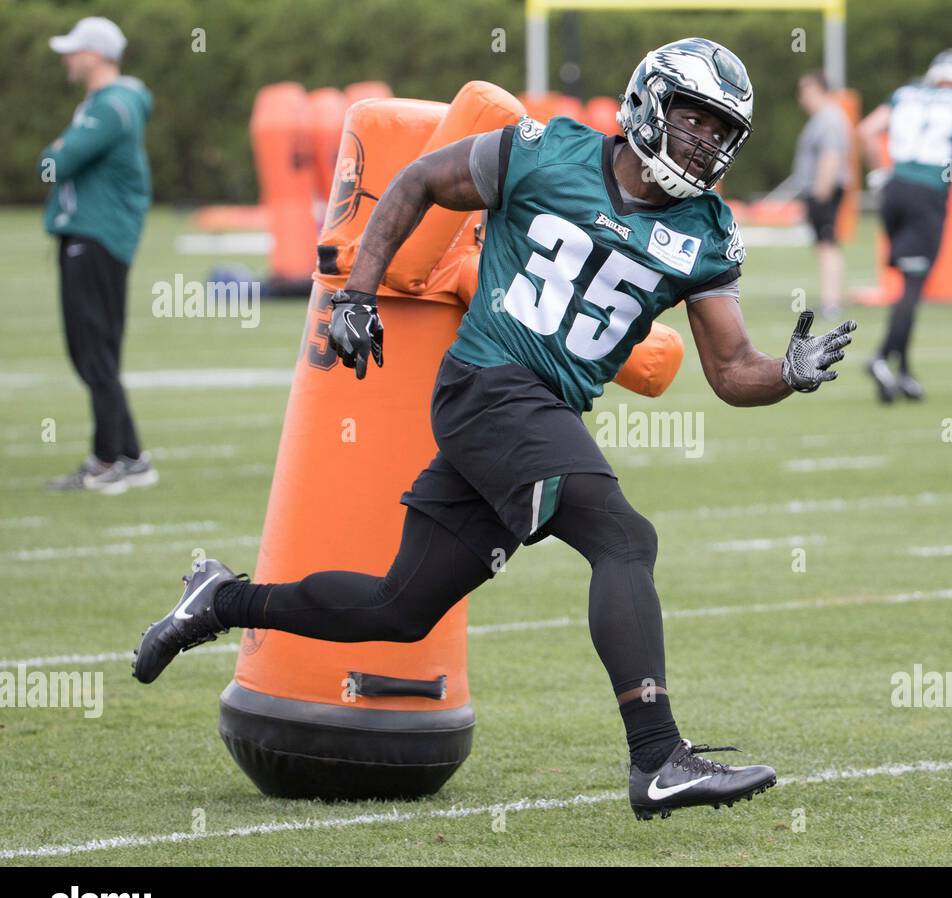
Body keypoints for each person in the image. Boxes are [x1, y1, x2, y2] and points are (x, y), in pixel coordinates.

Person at [131, 39, 856, 820]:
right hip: (490, 386)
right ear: (650, 102)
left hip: (539, 412)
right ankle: (657, 757)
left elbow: (730, 368)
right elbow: (417, 181)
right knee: (623, 538)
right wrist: (356, 294)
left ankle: (217, 600)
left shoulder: (707, 229)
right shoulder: (548, 152)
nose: (706, 142)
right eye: (694, 118)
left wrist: (789, 372)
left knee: (398, 610)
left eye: (722, 132)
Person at [40, 16, 157, 493]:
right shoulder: (109, 103)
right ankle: (129, 454)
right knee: (95, 351)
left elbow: (52, 165)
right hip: (94, 237)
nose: (68, 58)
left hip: (95, 236)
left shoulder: (111, 106)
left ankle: (107, 460)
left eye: (74, 50)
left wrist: (55, 149)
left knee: (93, 351)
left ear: (95, 54)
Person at [857, 49, 952, 403]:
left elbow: (867, 130)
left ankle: (904, 373)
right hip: (927, 194)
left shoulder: (906, 93)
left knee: (906, 284)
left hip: (894, 190)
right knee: (913, 285)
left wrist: (879, 173)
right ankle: (883, 359)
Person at [792, 72, 851, 320]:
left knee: (828, 244)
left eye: (805, 91)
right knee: (823, 245)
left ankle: (832, 300)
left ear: (819, 90)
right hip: (819, 189)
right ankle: (830, 298)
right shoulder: (823, 118)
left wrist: (820, 190)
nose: (802, 98)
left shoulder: (829, 119)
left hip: (823, 189)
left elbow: (831, 155)